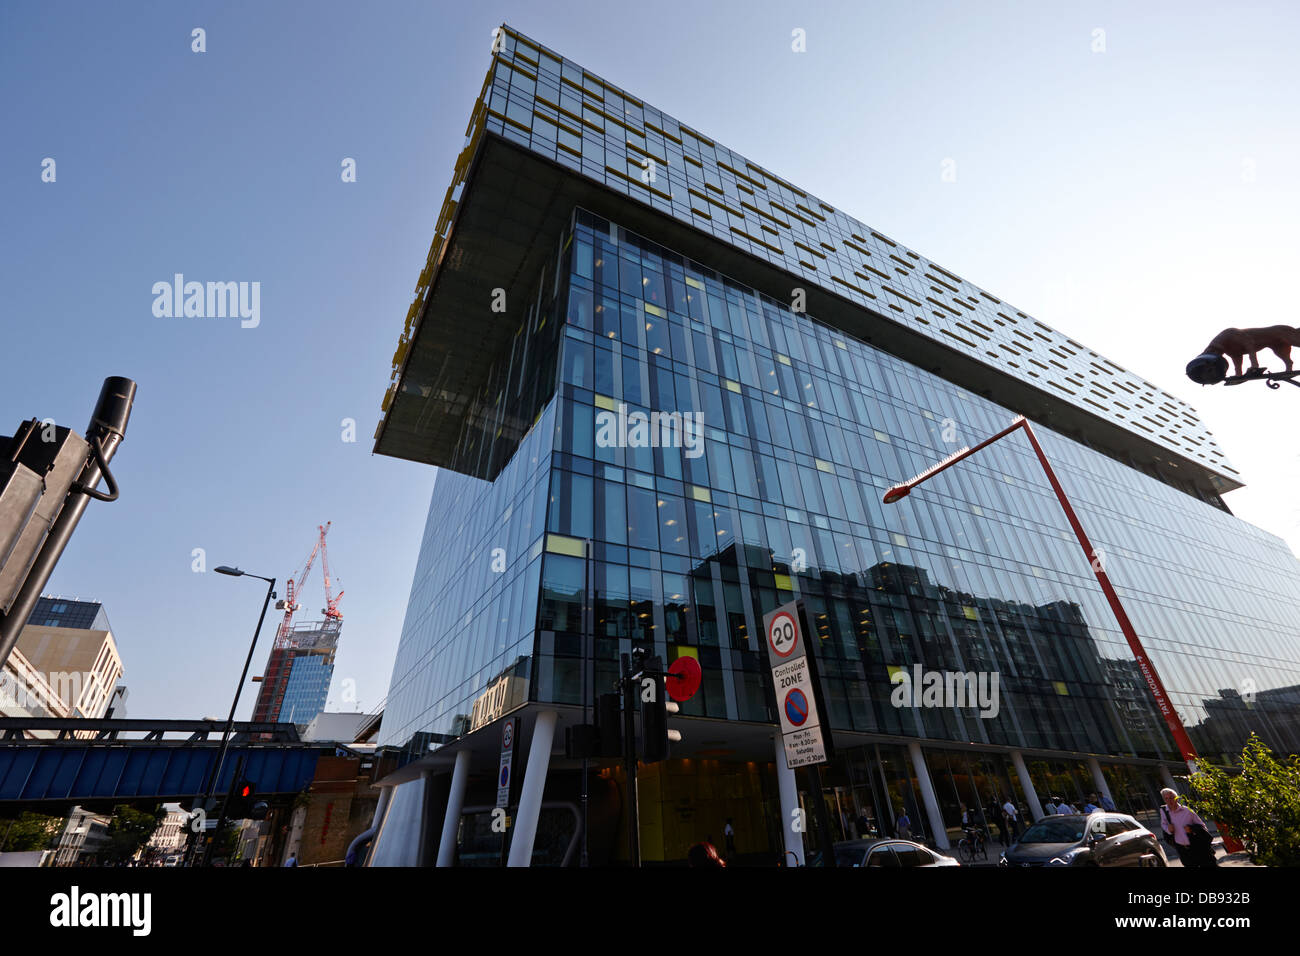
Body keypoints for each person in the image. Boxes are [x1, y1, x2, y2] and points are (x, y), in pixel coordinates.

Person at [1159, 788, 1217, 867]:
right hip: (1183, 850)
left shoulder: (1187, 811)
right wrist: (1168, 829)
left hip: (1198, 847)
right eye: (1166, 799)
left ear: (1176, 798)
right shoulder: (1164, 812)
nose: (1169, 801)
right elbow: (1164, 824)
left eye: (1171, 797)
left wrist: (1192, 829)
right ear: (1164, 800)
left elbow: (1202, 826)